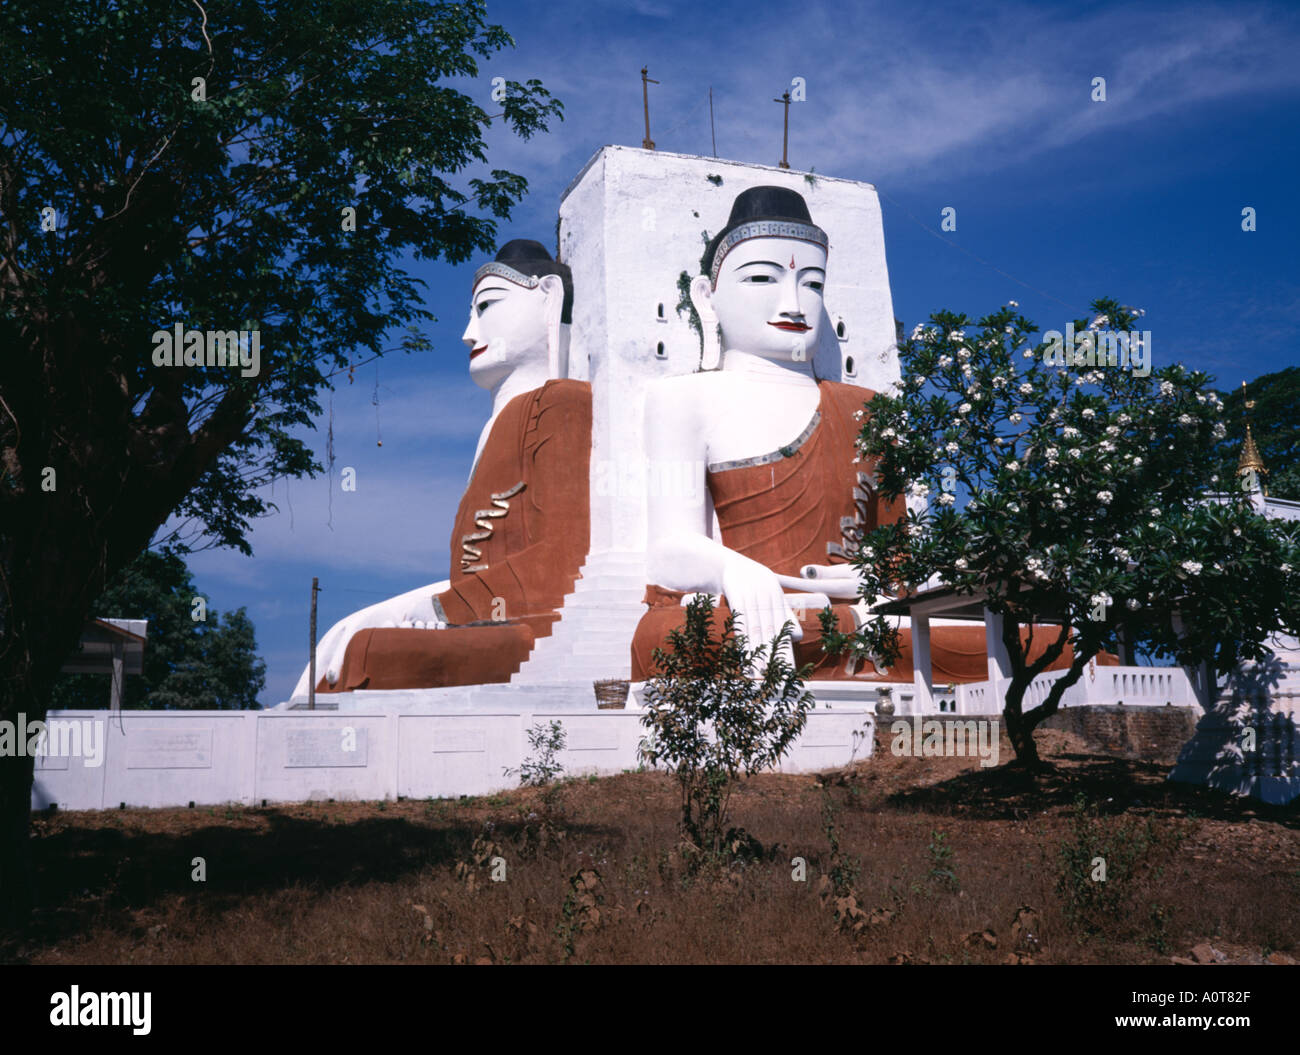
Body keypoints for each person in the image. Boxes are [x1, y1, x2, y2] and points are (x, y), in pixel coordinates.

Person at [631, 187, 1088, 683]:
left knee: (1038, 638)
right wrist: (739, 572)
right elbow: (669, 548)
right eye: (762, 277)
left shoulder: (866, 409)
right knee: (669, 636)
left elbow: (896, 557)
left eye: (812, 284)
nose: (793, 302)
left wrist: (872, 582)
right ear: (708, 296)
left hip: (860, 613)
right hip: (750, 605)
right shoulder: (682, 399)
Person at [292, 240, 592, 696]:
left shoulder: (561, 403)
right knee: (356, 637)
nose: (469, 333)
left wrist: (434, 611)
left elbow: (564, 560)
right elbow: (471, 575)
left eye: (487, 306)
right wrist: (396, 610)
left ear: (548, 297)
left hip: (539, 624)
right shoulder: (494, 427)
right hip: (484, 614)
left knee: (371, 651)